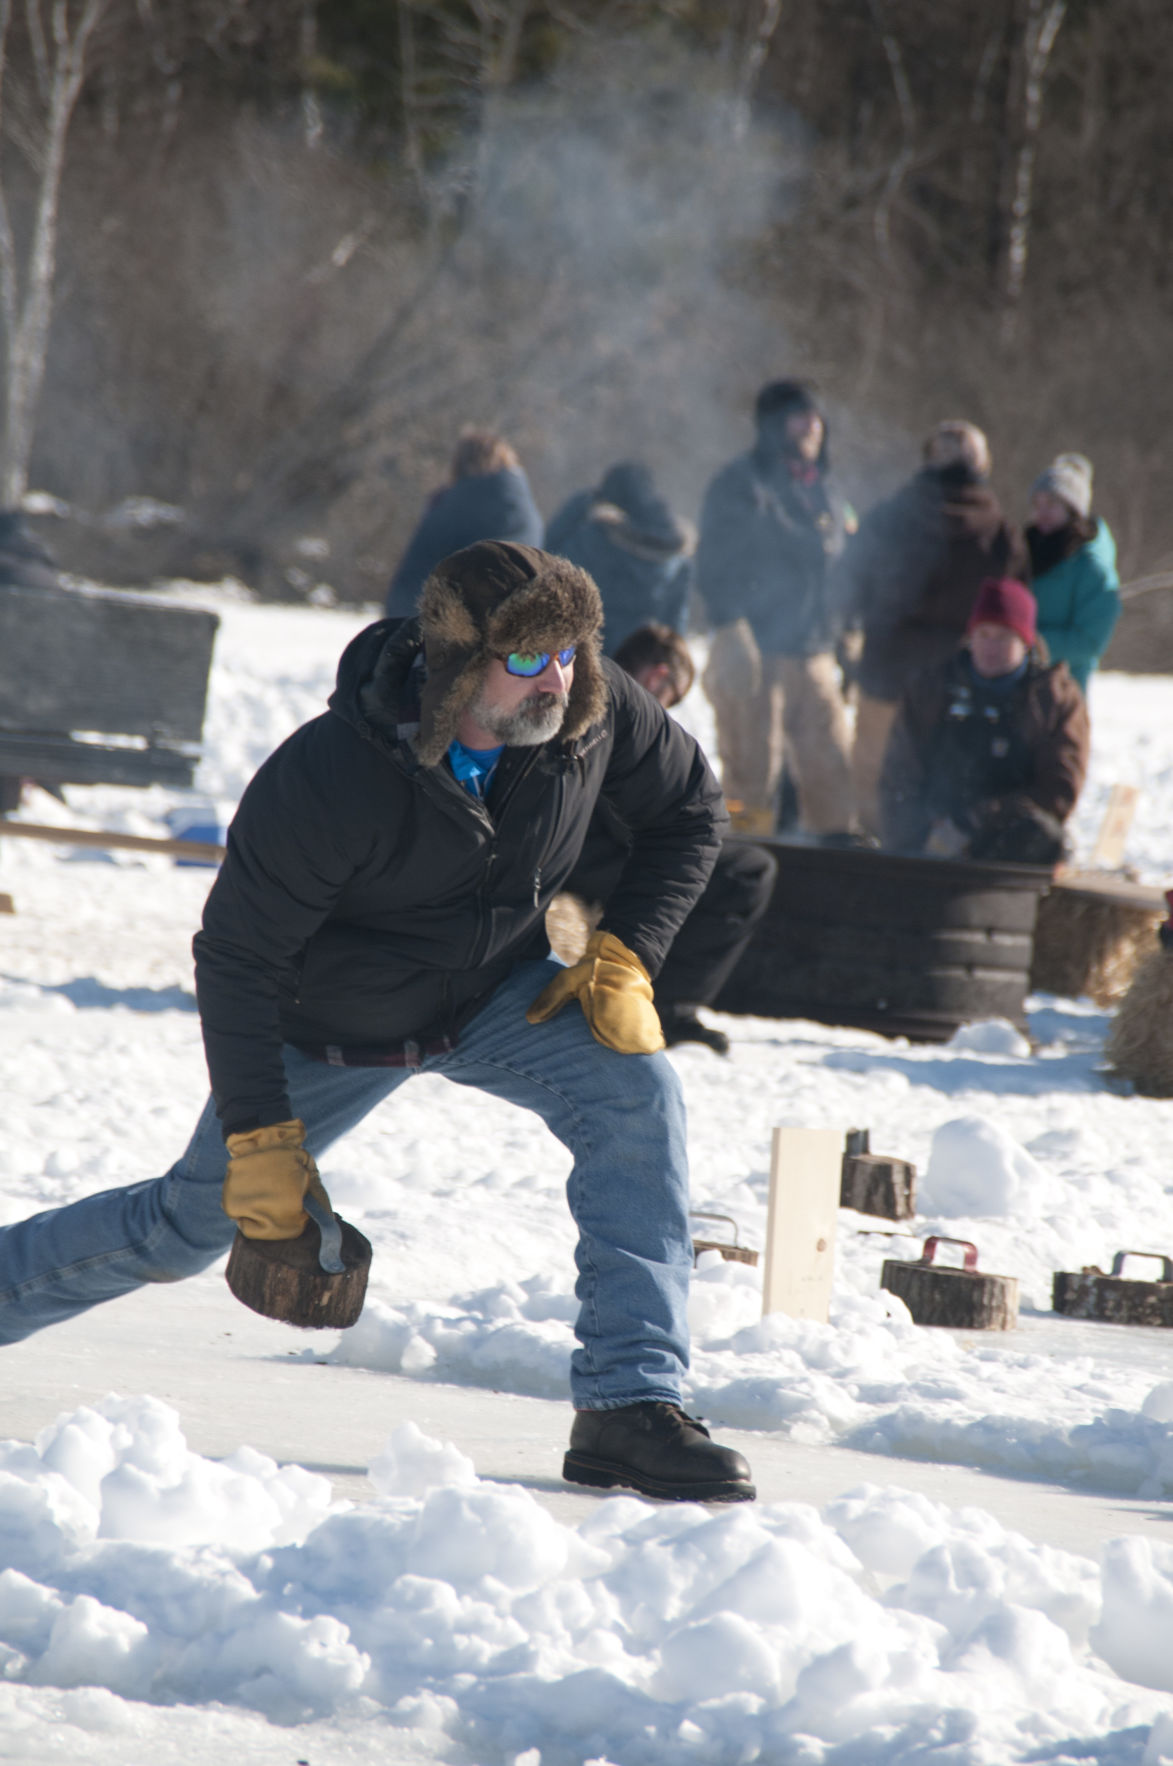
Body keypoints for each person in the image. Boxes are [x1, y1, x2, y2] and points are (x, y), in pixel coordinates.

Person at [0, 540, 755, 1506]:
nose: (557, 678)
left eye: (568, 650)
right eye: (528, 659)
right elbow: (236, 956)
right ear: (454, 665)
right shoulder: (331, 775)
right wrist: (261, 1135)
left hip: (490, 992)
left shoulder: (592, 712)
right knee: (185, 1226)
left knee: (636, 1091)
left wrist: (628, 953)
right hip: (333, 1022)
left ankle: (629, 1404)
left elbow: (691, 807)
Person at [561, 622, 778, 1056]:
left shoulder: (576, 689)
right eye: (672, 698)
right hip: (583, 854)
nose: (667, 709)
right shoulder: (617, 709)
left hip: (569, 847)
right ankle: (670, 1007)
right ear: (658, 678)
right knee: (747, 872)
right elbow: (636, 823)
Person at [839, 420, 1030, 838]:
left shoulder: (891, 515)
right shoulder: (998, 532)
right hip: (954, 676)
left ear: (928, 460)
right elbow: (1016, 606)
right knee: (933, 775)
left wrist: (844, 631)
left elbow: (849, 579)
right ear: (982, 465)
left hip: (888, 665)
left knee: (874, 772)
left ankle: (869, 857)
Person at [694, 379, 856, 839]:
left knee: (831, 769)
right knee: (751, 771)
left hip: (815, 652)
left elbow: (844, 567)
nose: (813, 427)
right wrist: (730, 626)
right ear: (773, 425)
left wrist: (850, 631)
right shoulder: (740, 484)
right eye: (800, 416)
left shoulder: (827, 489)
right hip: (756, 651)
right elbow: (714, 562)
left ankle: (839, 866)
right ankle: (743, 861)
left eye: (817, 417)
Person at [879, 576, 1089, 866]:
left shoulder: (1054, 699)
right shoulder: (931, 688)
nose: (991, 647)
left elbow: (1058, 791)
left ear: (1025, 642)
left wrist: (975, 821)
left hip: (1008, 846)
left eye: (1004, 636)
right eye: (984, 634)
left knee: (1041, 835)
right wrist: (916, 837)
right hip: (931, 841)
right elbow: (898, 776)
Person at [384, 430, 543, 617]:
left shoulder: (455, 507)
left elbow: (415, 576)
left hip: (450, 626)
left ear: (462, 464)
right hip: (513, 624)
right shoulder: (528, 512)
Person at [544, 461, 695, 653]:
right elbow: (675, 623)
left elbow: (549, 565)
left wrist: (579, 506)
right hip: (641, 664)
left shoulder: (594, 537)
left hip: (587, 653)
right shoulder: (677, 555)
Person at [1025, 453, 1120, 695]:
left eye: (1052, 505)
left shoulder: (1092, 567)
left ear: (1073, 510)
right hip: (1022, 683)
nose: (1041, 513)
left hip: (1065, 690)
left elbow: (1089, 642)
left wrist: (1034, 644)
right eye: (1038, 505)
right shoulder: (1025, 551)